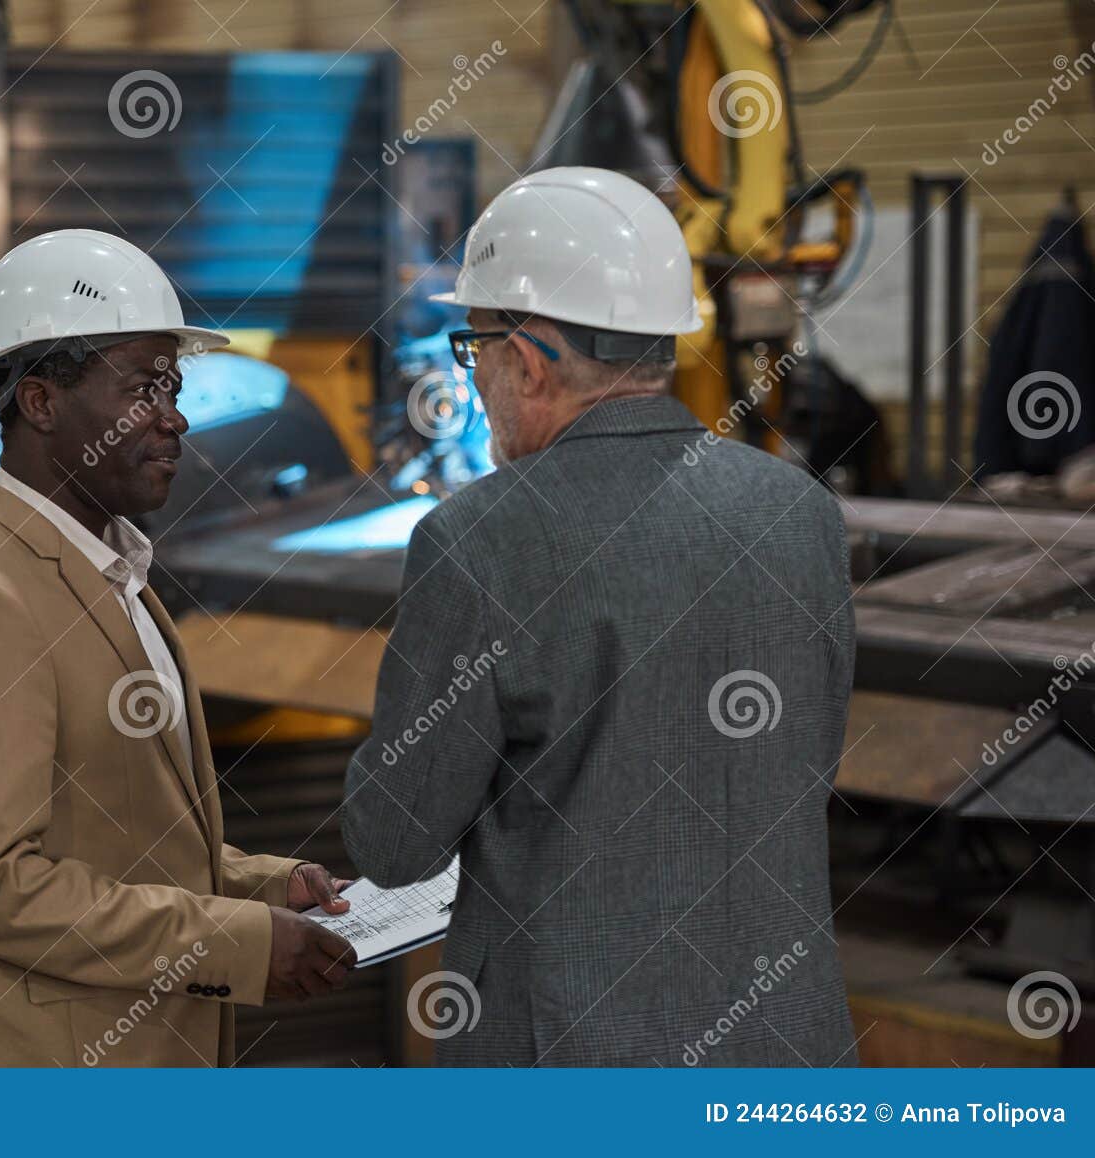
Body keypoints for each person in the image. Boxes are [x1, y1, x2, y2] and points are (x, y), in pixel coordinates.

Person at [342, 168, 857, 1067]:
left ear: (528, 360)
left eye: (475, 353)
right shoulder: (799, 510)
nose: (478, 383)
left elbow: (394, 840)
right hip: (787, 1050)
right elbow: (799, 765)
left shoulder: (479, 541)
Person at [0, 229, 355, 1067]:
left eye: (172, 385)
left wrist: (262, 886)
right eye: (141, 389)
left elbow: (124, 842)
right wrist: (236, 941)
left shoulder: (114, 572)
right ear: (40, 402)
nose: (175, 418)